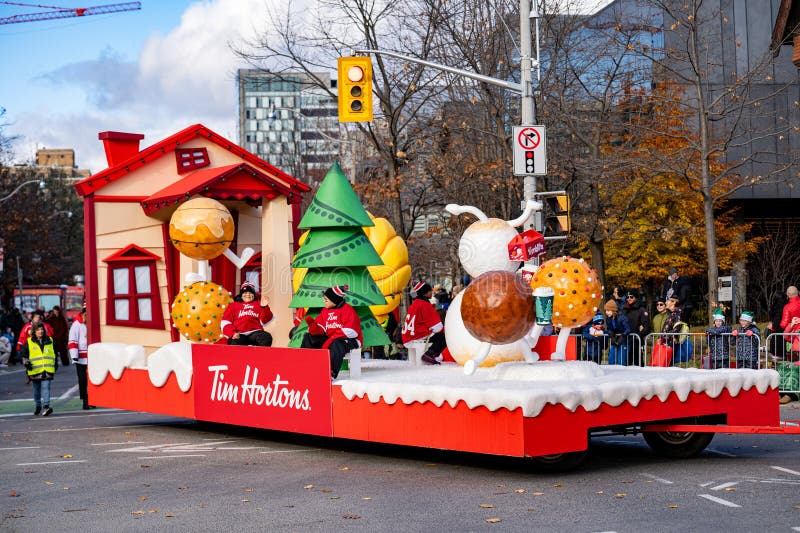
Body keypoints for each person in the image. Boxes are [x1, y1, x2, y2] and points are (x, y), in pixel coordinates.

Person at [302, 285, 362, 379]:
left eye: (326, 299)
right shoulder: (325, 311)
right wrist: (314, 328)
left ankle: (330, 373)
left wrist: (332, 338)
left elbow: (352, 331)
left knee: (336, 343)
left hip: (349, 340)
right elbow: (321, 329)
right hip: (330, 338)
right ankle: (305, 365)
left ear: (334, 299)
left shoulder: (347, 309)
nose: (324, 301)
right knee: (308, 337)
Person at [401, 281, 447, 365]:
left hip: (407, 336)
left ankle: (428, 355)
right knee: (444, 337)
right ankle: (429, 355)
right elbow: (438, 328)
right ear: (425, 292)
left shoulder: (414, 304)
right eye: (430, 290)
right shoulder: (424, 304)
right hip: (417, 335)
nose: (432, 292)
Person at [221, 281, 274, 347]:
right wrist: (232, 333)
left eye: (250, 293)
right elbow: (226, 322)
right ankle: (239, 357)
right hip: (239, 334)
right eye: (245, 293)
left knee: (265, 337)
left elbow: (264, 320)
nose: (248, 295)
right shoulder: (233, 306)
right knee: (233, 342)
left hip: (255, 333)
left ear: (254, 294)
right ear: (241, 294)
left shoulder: (258, 304)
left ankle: (260, 357)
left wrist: (264, 307)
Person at [21, 322, 57, 416]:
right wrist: (26, 363)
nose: (40, 331)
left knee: (46, 387)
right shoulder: (29, 342)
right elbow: (24, 355)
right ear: (34, 331)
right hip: (35, 370)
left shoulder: (50, 340)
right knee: (36, 391)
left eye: (41, 329)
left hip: (47, 370)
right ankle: (38, 406)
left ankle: (46, 407)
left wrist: (55, 365)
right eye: (38, 330)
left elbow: (54, 354)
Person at [68, 305, 92, 409]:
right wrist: (74, 355)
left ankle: (92, 399)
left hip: (91, 356)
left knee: (92, 379)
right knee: (82, 380)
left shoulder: (91, 323)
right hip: (80, 356)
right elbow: (72, 340)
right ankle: (85, 400)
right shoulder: (77, 324)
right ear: (83, 313)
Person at [622, 290, 650, 366]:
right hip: (626, 340)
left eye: (631, 297)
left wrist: (638, 336)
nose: (629, 298)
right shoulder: (624, 310)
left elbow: (646, 327)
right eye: (627, 297)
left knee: (638, 363)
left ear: (636, 298)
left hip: (637, 341)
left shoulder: (642, 310)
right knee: (626, 364)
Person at [604, 300, 631, 365]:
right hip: (615, 340)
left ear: (613, 310)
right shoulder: (609, 318)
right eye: (606, 311)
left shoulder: (622, 317)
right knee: (611, 360)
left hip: (624, 341)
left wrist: (622, 336)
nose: (606, 313)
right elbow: (609, 329)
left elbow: (628, 329)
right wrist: (611, 335)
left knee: (621, 361)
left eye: (608, 310)